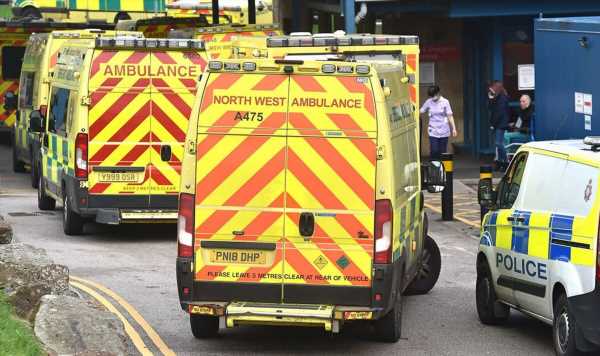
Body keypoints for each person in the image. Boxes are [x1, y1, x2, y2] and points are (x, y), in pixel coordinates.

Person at [420, 85, 457, 160]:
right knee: (434, 150)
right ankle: (433, 166)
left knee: (442, 151)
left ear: (438, 93)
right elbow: (421, 111)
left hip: (444, 130)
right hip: (433, 130)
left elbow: (450, 116)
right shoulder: (429, 101)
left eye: (433, 96)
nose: (432, 98)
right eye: (431, 96)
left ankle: (442, 168)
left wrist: (454, 128)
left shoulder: (445, 102)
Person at [488, 81, 510, 171]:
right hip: (499, 123)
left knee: (499, 143)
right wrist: (491, 98)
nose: (491, 90)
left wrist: (493, 124)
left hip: (501, 124)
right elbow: (490, 108)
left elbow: (499, 113)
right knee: (498, 144)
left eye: (492, 89)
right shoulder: (497, 97)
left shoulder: (502, 98)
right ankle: (502, 161)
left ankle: (506, 162)